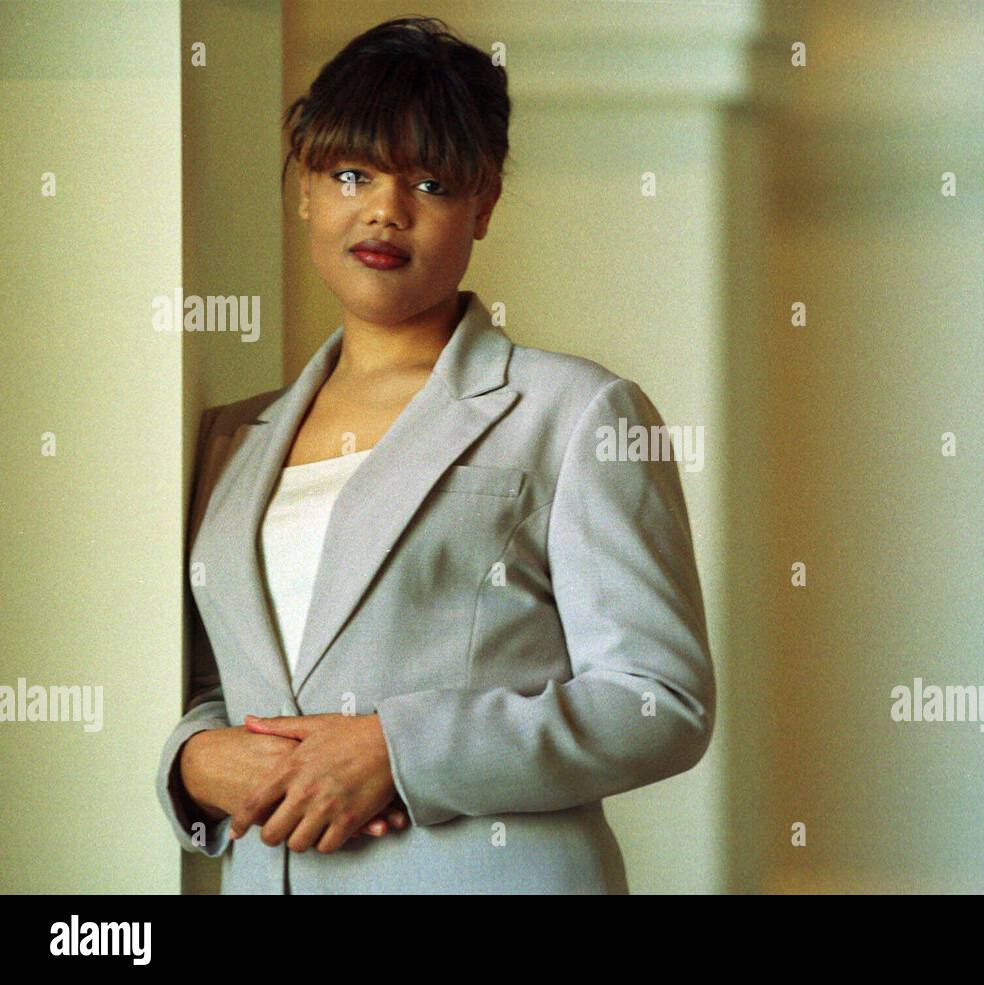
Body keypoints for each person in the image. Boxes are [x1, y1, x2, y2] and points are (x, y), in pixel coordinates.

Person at [155, 15, 714, 894]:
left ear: (483, 203)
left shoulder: (575, 412)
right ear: (305, 188)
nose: (385, 208)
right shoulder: (228, 438)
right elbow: (201, 683)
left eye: (431, 182)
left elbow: (659, 701)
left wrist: (397, 750)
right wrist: (193, 762)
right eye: (351, 173)